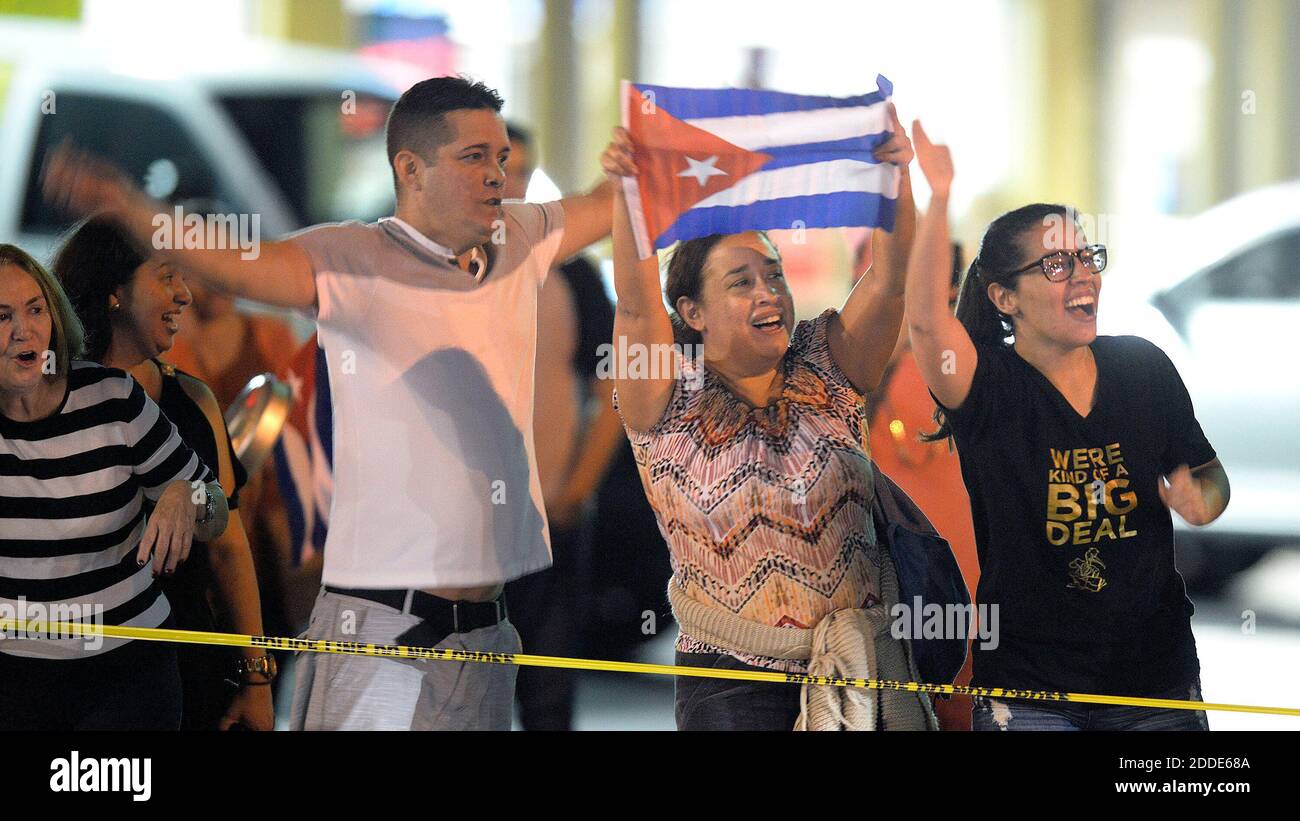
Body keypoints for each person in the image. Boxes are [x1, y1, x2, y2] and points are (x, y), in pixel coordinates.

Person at [43, 75, 620, 731]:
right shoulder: (354, 256)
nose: (497, 174)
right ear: (411, 168)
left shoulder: (520, 235)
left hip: (486, 638)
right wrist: (126, 203)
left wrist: (635, 166)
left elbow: (608, 205)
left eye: (501, 158)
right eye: (474, 157)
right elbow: (240, 263)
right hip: (385, 637)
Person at [606, 105, 935, 731]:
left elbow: (892, 282)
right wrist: (629, 196)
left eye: (774, 274)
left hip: (861, 670)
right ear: (692, 311)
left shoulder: (828, 361)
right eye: (741, 281)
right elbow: (633, 306)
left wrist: (897, 177)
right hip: (730, 692)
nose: (768, 292)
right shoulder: (669, 392)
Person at [904, 122, 1230, 731]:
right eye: (1056, 264)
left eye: (1087, 257)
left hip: (1154, 684)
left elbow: (1211, 477)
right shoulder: (988, 387)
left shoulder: (1142, 367)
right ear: (1006, 297)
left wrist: (1201, 500)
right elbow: (924, 322)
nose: (1083, 274)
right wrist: (939, 194)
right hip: (1032, 694)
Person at [53, 217, 276, 731]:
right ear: (115, 291)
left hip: (189, 667)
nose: (185, 296)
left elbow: (229, 548)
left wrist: (255, 679)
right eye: (168, 276)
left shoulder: (194, 401)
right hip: (79, 676)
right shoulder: (50, 401)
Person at [0, 244, 227, 731]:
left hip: (126, 674)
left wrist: (186, 495)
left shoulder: (113, 398)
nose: (25, 330)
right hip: (13, 682)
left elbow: (217, 508)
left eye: (36, 309)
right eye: (2, 316)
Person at [501, 123, 625, 730]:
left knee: (549, 692)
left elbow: (615, 386)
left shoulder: (571, 272)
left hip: (552, 519)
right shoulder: (435, 265)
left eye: (521, 168)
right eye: (495, 165)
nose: (508, 182)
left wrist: (578, 489)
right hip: (460, 531)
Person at [862, 239, 978, 730]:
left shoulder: (957, 361)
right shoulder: (861, 366)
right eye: (867, 277)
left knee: (957, 709)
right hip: (891, 584)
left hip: (956, 584)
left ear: (950, 288)